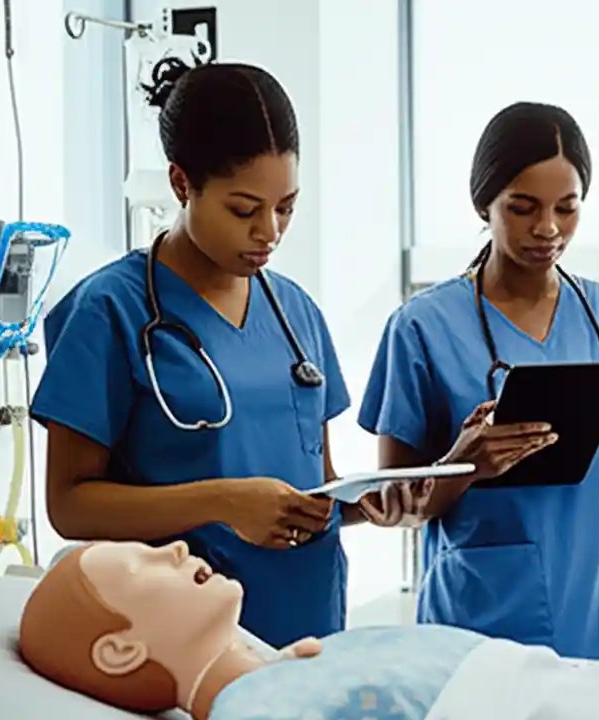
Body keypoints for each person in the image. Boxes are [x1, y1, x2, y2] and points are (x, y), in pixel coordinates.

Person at [30, 58, 416, 651]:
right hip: (178, 640)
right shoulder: (112, 309)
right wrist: (224, 501)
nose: (270, 232)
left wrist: (370, 501)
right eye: (244, 209)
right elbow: (69, 504)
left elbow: (319, 485)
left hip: (309, 629)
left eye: (286, 206)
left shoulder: (296, 313)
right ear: (183, 184)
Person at [357, 101, 599, 682]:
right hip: (481, 617)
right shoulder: (422, 328)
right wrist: (464, 465)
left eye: (567, 207)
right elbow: (396, 505)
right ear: (483, 203)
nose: (548, 229)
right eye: (523, 208)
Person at [16, 540, 599, 720]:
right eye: (144, 563)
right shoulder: (259, 711)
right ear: (121, 649)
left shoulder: (288, 672)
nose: (177, 547)